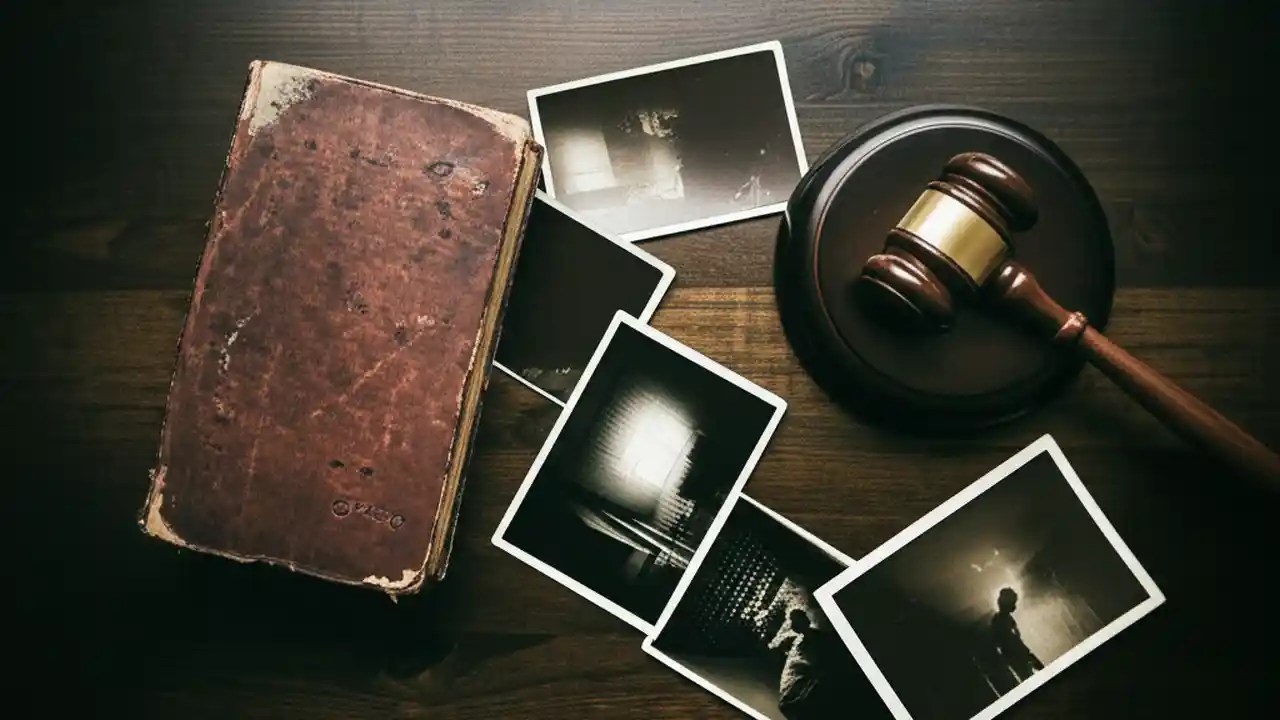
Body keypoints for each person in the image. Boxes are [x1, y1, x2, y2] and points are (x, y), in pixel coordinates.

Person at [990, 587, 1044, 683]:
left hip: (1018, 656)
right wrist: (1028, 656)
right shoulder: (1002, 620)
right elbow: (1011, 642)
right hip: (1018, 657)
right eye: (1013, 602)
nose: (1014, 605)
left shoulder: (1004, 619)